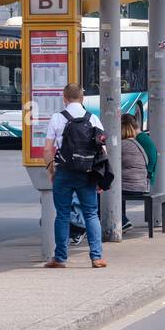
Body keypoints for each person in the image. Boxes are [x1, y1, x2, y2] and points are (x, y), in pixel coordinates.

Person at [42, 83, 107, 269]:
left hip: (64, 171)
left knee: (62, 214)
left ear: (64, 98)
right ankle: (97, 257)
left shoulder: (57, 118)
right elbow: (103, 149)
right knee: (91, 214)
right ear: (82, 98)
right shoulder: (93, 119)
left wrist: (51, 171)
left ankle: (60, 258)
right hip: (87, 173)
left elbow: (47, 149)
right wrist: (101, 177)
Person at [119, 114, 156, 231]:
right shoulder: (139, 139)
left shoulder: (133, 141)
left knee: (105, 191)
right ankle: (121, 220)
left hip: (141, 181)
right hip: (142, 180)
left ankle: (121, 221)